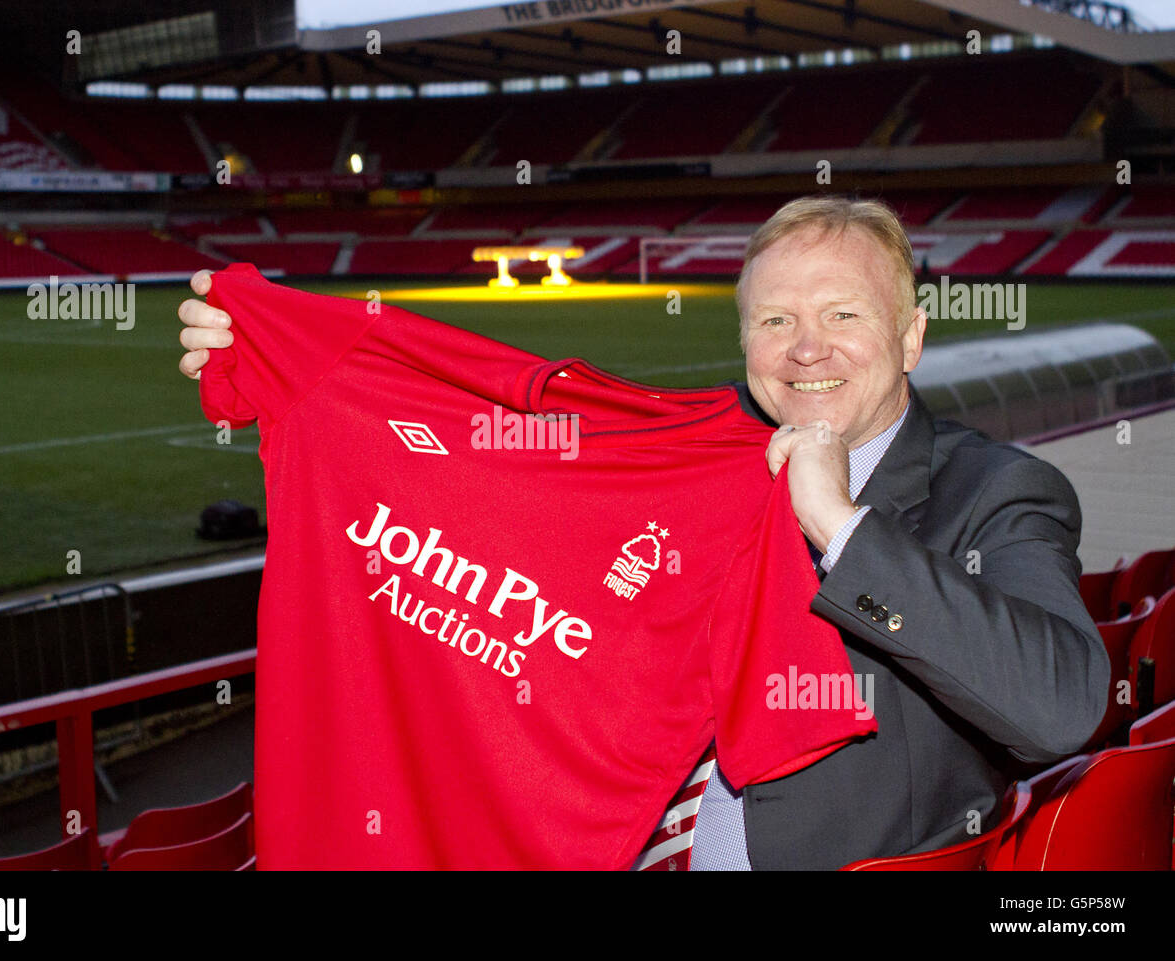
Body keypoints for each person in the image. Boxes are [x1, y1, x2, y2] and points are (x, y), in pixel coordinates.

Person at [176, 195, 1110, 870]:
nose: (805, 349)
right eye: (775, 320)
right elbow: (502, 457)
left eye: (843, 316)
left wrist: (841, 524)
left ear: (910, 339)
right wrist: (274, 349)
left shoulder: (997, 492)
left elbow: (1061, 709)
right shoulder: (699, 462)